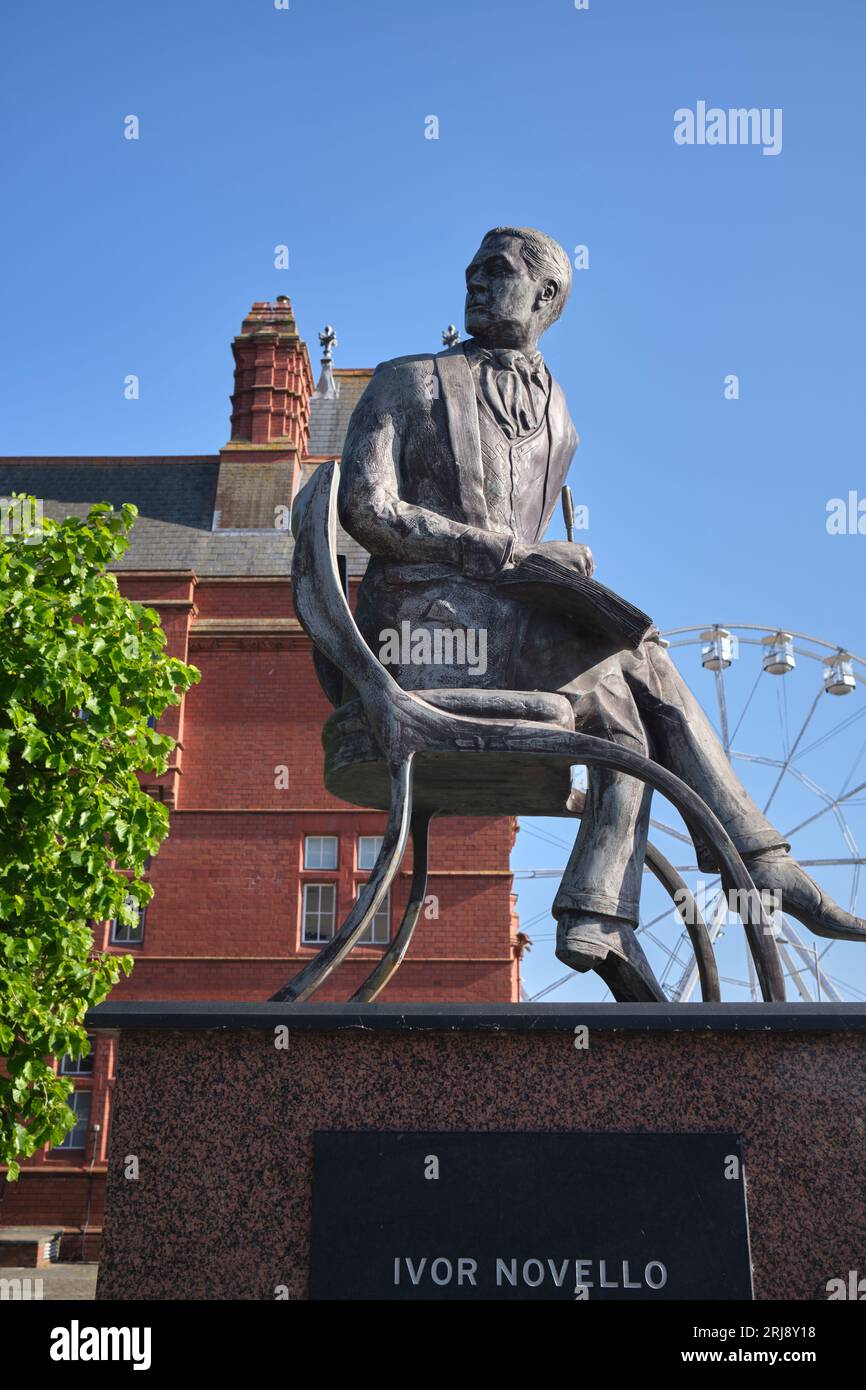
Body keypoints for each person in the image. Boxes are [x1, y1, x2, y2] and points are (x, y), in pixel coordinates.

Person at [337, 226, 866, 1000]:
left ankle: (605, 916)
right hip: (417, 632)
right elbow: (366, 508)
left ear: (548, 297)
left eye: (497, 273)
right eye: (471, 272)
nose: (475, 285)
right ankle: (749, 865)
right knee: (635, 664)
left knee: (627, 696)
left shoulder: (561, 417)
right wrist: (509, 556)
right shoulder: (408, 381)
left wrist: (553, 572)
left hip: (503, 629)